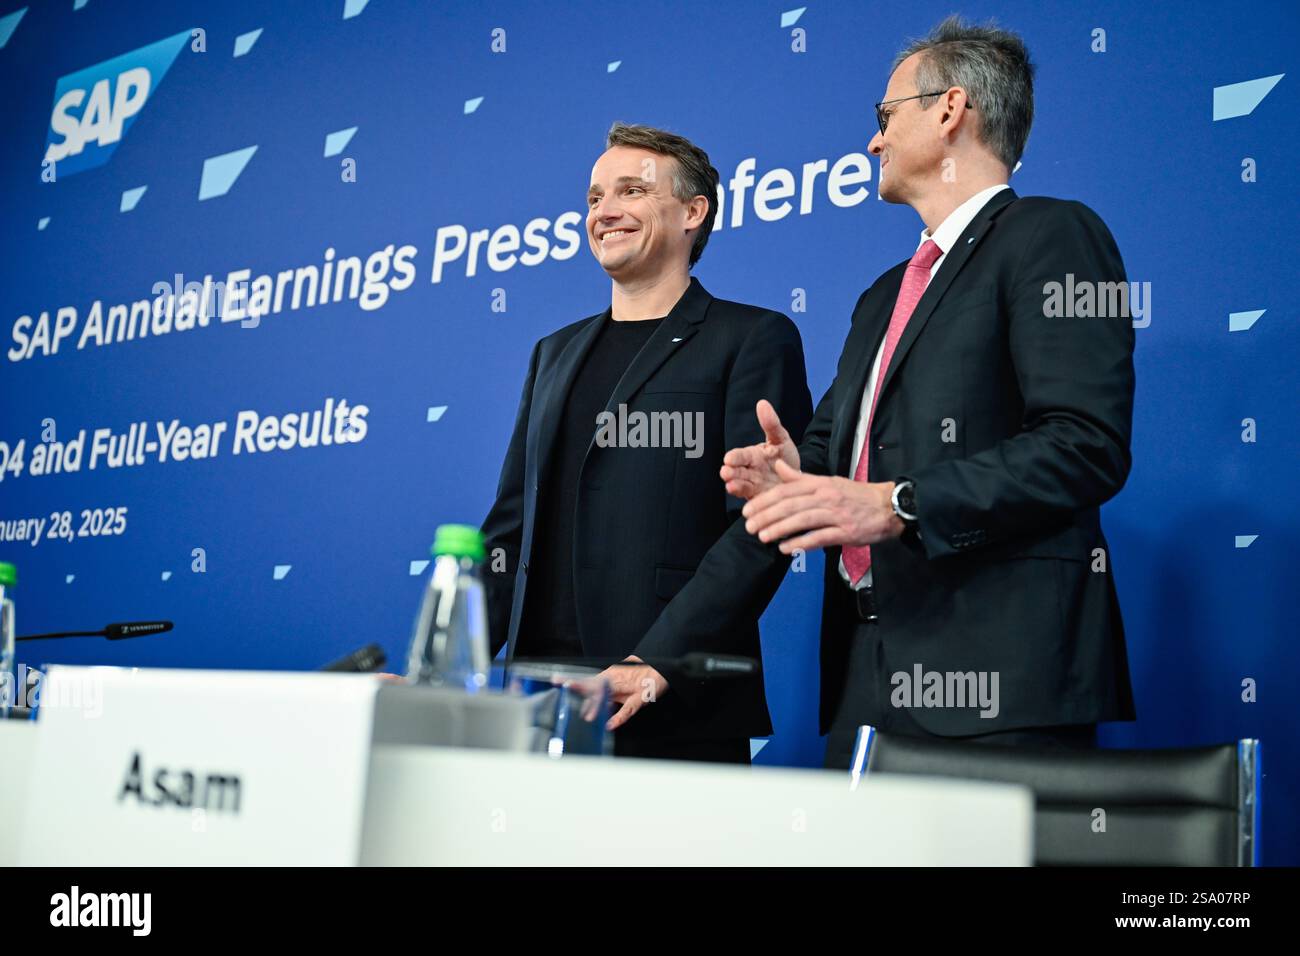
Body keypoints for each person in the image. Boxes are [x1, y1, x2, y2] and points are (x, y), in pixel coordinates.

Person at [721, 17, 1137, 769]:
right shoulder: (883, 296)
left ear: (949, 110)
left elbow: (1086, 445)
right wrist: (793, 480)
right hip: (864, 682)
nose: (874, 141)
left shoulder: (1056, 235)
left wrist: (898, 502)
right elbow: (834, 469)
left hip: (1001, 686)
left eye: (884, 117)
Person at [482, 122, 813, 762]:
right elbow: (509, 531)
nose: (605, 212)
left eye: (631, 191)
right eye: (594, 197)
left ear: (693, 212)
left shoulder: (752, 339)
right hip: (540, 705)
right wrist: (443, 671)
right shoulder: (553, 354)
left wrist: (655, 662)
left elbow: (759, 528)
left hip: (672, 705)